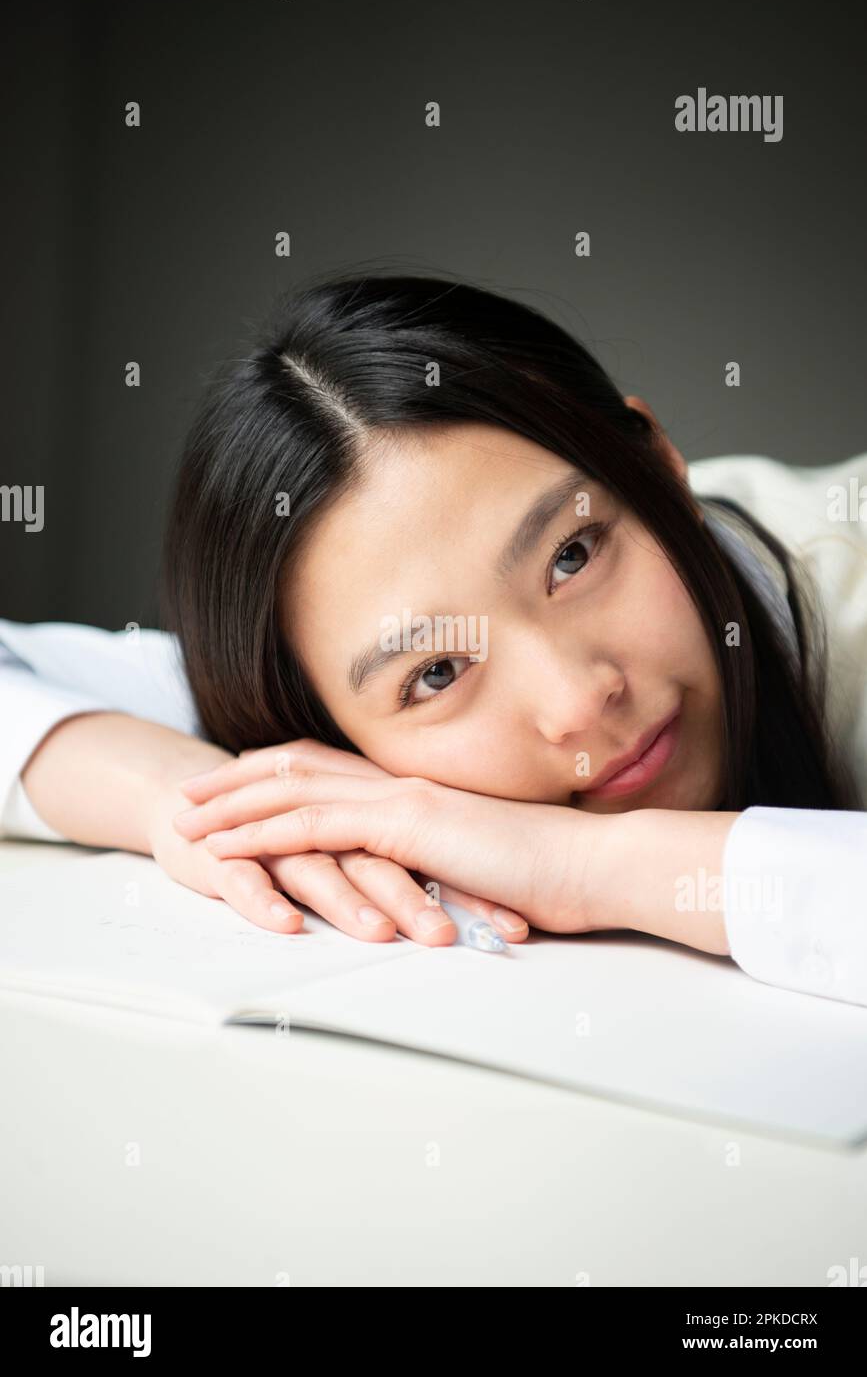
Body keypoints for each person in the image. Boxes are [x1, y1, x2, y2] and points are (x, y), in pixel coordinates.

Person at [2, 274, 866, 1007]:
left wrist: (587, 864)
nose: (576, 699)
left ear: (661, 469)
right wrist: (217, 805)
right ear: (336, 739)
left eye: (572, 556)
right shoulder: (322, 717)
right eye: (439, 672)